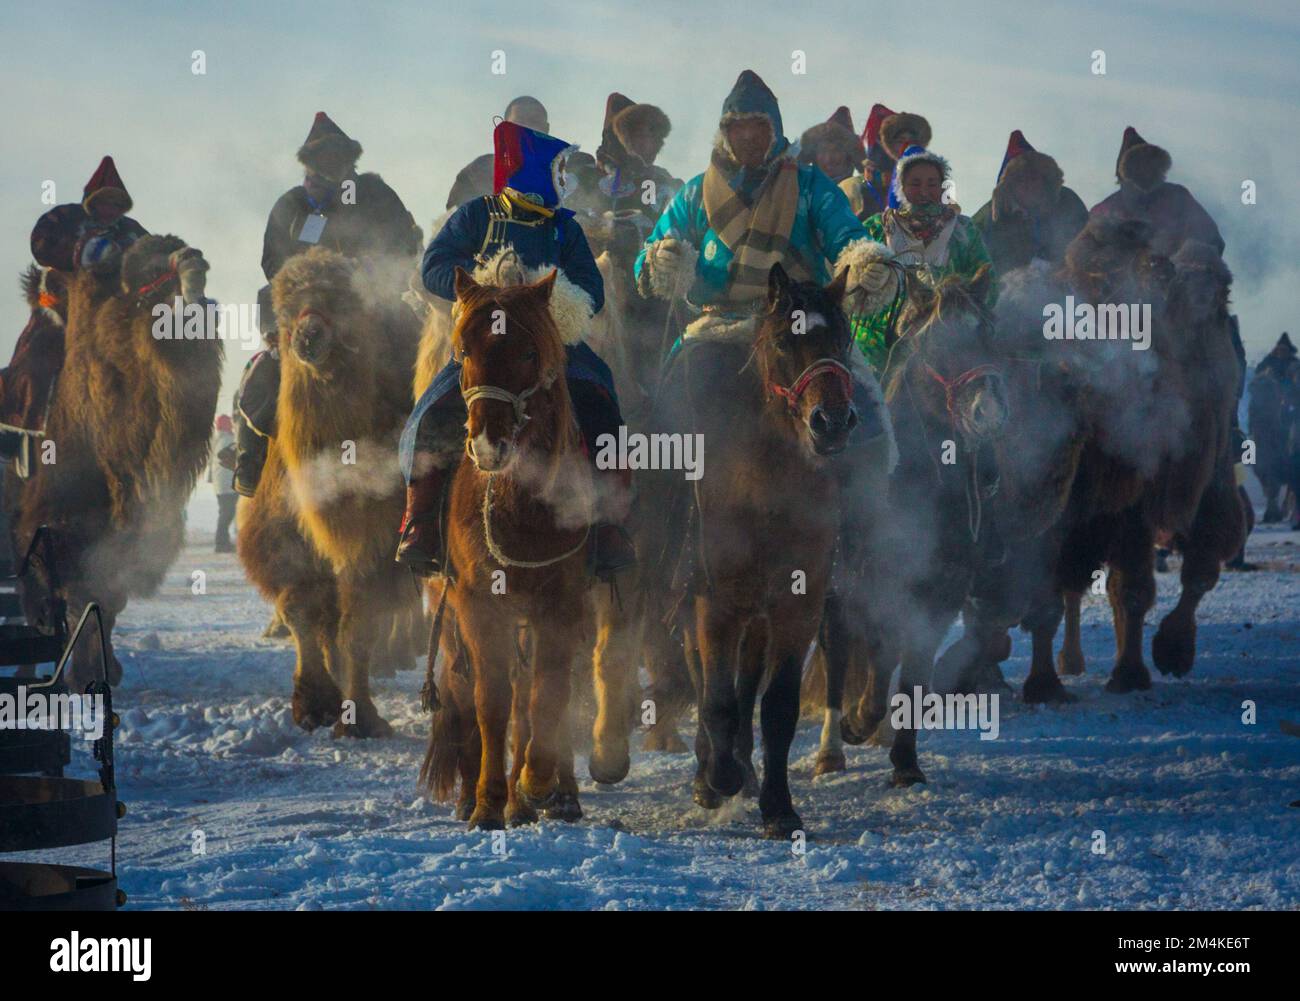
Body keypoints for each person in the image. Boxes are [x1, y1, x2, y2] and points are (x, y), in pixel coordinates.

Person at [395, 119, 635, 580]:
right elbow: (434, 268)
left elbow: (591, 289)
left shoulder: (565, 228)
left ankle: (609, 525)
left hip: (551, 348)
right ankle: (419, 523)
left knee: (602, 407)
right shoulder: (475, 216)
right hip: (483, 349)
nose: (564, 180)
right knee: (430, 416)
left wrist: (555, 299)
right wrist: (482, 285)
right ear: (532, 171)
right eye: (557, 169)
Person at [234, 112, 423, 497]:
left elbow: (406, 244)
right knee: (263, 374)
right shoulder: (292, 204)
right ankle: (250, 458)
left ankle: (428, 456)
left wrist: (371, 267)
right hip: (310, 304)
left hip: (373, 301)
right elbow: (272, 261)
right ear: (309, 162)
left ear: (350, 158)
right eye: (322, 156)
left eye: (338, 154)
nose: (331, 162)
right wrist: (308, 272)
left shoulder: (376, 195)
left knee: (417, 365)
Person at [634, 69, 896, 322]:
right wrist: (660, 260)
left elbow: (846, 237)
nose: (748, 135)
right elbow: (659, 243)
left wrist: (866, 264)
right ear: (725, 133)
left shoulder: (811, 185)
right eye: (737, 126)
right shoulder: (695, 192)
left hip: (801, 323)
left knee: (846, 368)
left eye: (758, 125)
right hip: (715, 323)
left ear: (775, 130)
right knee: (685, 368)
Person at [849, 145, 995, 371]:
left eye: (932, 184)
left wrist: (955, 304)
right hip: (875, 350)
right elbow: (847, 277)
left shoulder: (963, 231)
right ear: (901, 186)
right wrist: (863, 278)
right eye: (915, 184)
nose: (924, 191)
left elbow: (988, 284)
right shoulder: (878, 227)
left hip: (944, 349)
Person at [568, 92, 681, 251]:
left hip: (640, 271)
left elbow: (680, 235)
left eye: (652, 136)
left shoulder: (664, 185)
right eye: (638, 135)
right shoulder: (580, 175)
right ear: (615, 136)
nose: (646, 143)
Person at [1089, 127, 1223, 258]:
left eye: (1148, 168)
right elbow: (1084, 260)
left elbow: (1211, 240)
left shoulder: (1178, 198)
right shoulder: (1104, 211)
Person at [972, 130, 1088, 273]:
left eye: (1033, 178)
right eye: (1020, 179)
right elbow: (975, 256)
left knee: (1073, 294)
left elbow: (1088, 242)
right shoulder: (992, 217)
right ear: (1009, 185)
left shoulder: (1067, 202)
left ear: (1045, 179)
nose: (1028, 185)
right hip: (1010, 290)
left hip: (1067, 287)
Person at [445, 96, 550, 210]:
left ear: (546, 129)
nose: (527, 128)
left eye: (534, 122)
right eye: (519, 122)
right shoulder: (477, 172)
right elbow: (455, 219)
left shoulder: (564, 176)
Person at [839, 106, 932, 222]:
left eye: (911, 141)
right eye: (900, 141)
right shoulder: (851, 188)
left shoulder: (929, 182)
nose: (906, 146)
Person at [797, 106, 865, 185]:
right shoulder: (797, 193)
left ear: (849, 156)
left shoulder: (864, 194)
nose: (828, 159)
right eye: (822, 151)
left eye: (836, 151)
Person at [210, 415, 238, 553]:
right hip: (228, 484)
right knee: (227, 514)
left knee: (225, 513)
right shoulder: (229, 440)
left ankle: (223, 542)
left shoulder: (216, 440)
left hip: (220, 485)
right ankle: (221, 543)